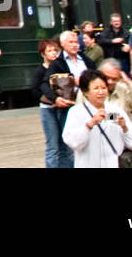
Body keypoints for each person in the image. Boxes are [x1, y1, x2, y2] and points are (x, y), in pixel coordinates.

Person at [62, 72, 132, 167]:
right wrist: (89, 125)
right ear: (85, 92)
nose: (101, 92)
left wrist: (124, 128)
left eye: (103, 88)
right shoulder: (76, 112)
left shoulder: (115, 111)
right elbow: (73, 142)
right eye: (96, 88)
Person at [44, 30, 94, 168]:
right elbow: (44, 84)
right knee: (67, 143)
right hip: (68, 107)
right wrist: (55, 99)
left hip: (88, 104)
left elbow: (96, 76)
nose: (74, 45)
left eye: (76, 42)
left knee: (90, 138)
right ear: (63, 44)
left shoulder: (86, 60)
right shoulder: (57, 63)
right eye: (71, 42)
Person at [34, 39, 69, 167]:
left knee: (66, 144)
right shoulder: (40, 71)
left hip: (63, 108)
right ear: (43, 53)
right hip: (48, 109)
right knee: (52, 146)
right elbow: (36, 91)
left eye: (55, 50)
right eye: (50, 51)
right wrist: (53, 100)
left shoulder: (61, 67)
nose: (53, 53)